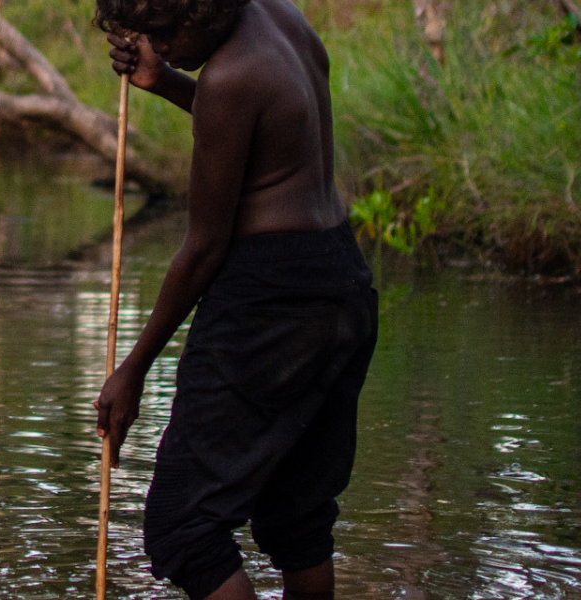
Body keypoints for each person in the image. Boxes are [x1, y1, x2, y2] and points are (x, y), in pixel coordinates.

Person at [90, 0, 378, 598]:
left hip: (269, 305)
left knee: (182, 527)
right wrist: (165, 81)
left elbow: (203, 249)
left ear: (204, 11)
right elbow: (258, 129)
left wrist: (132, 370)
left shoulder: (227, 77)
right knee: (298, 515)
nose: (161, 47)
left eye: (167, 34)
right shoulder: (282, 20)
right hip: (340, 284)